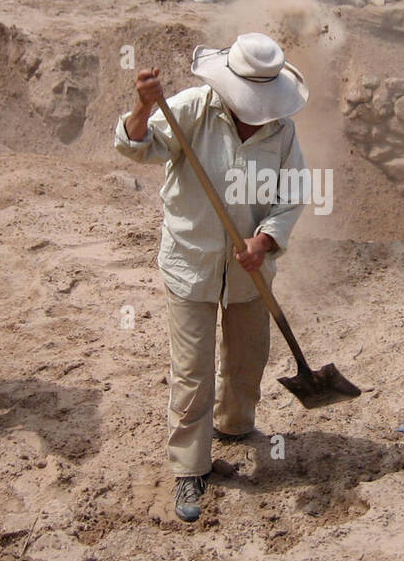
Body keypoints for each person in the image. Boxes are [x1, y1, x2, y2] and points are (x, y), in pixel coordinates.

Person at [115, 34, 308, 522]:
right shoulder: (193, 109)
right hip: (190, 262)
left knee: (247, 361)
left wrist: (263, 242)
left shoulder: (282, 133)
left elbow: (293, 195)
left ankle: (234, 426)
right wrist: (142, 107)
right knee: (193, 372)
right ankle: (189, 469)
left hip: (250, 271)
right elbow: (136, 146)